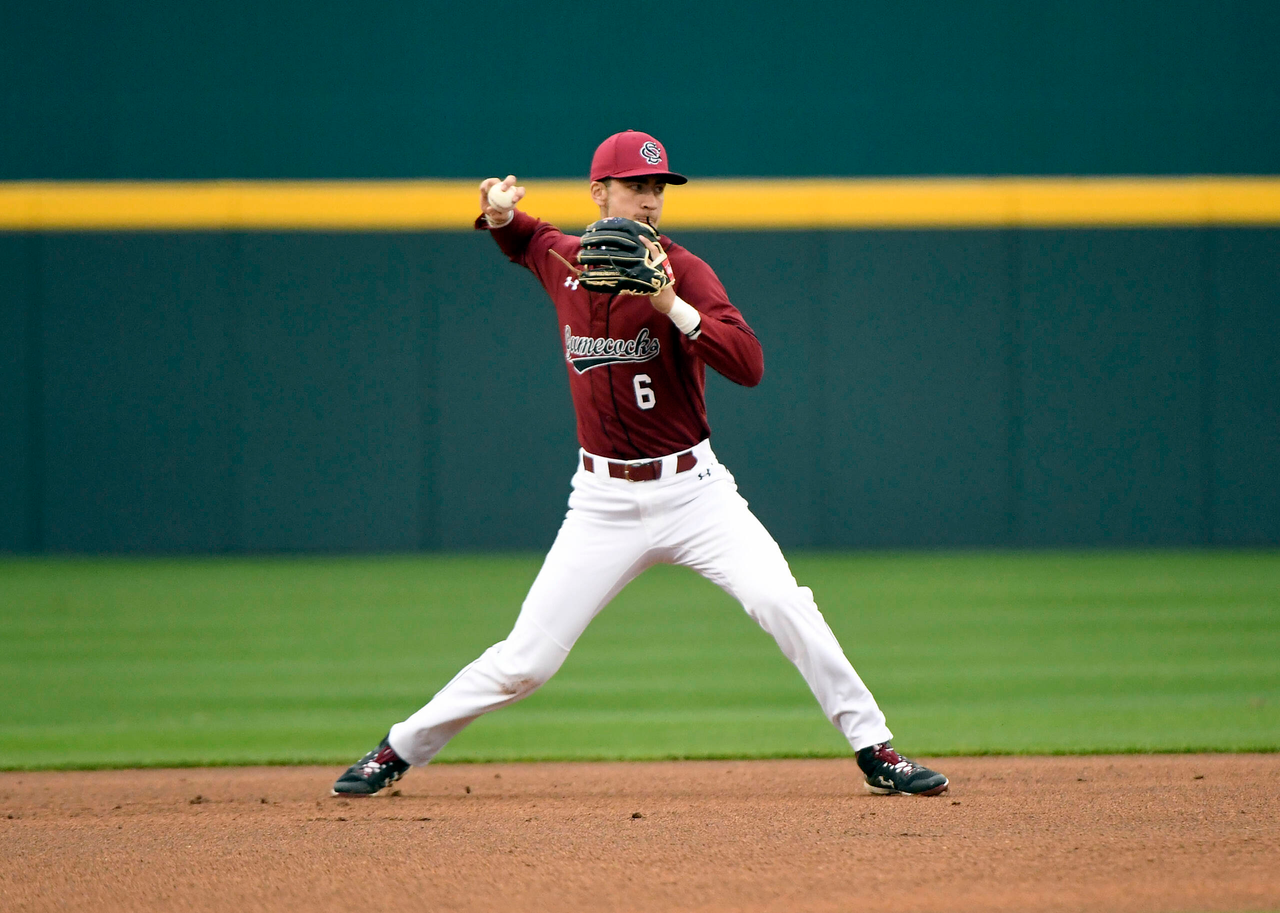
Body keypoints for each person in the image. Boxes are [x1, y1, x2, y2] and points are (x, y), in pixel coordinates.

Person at [331, 130, 948, 798]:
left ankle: (875, 748)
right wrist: (501, 213)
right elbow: (522, 238)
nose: (652, 199)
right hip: (601, 501)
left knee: (782, 601)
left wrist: (673, 307)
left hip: (695, 492)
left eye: (658, 187)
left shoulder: (686, 270)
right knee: (526, 661)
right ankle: (396, 749)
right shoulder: (564, 258)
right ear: (599, 193)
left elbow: (749, 364)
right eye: (637, 186)